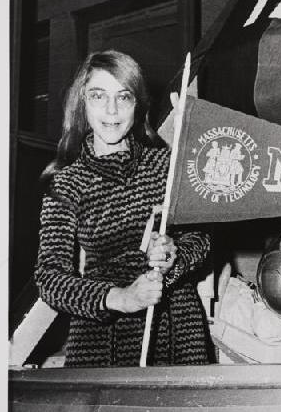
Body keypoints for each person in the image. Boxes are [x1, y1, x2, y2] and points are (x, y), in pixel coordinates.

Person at [34, 49, 214, 367]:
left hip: (177, 329)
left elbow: (201, 241)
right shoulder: (65, 182)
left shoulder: (167, 166)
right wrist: (120, 298)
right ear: (81, 103)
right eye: (98, 96)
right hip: (100, 338)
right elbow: (50, 278)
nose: (112, 110)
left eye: (124, 97)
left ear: (137, 104)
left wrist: (174, 255)